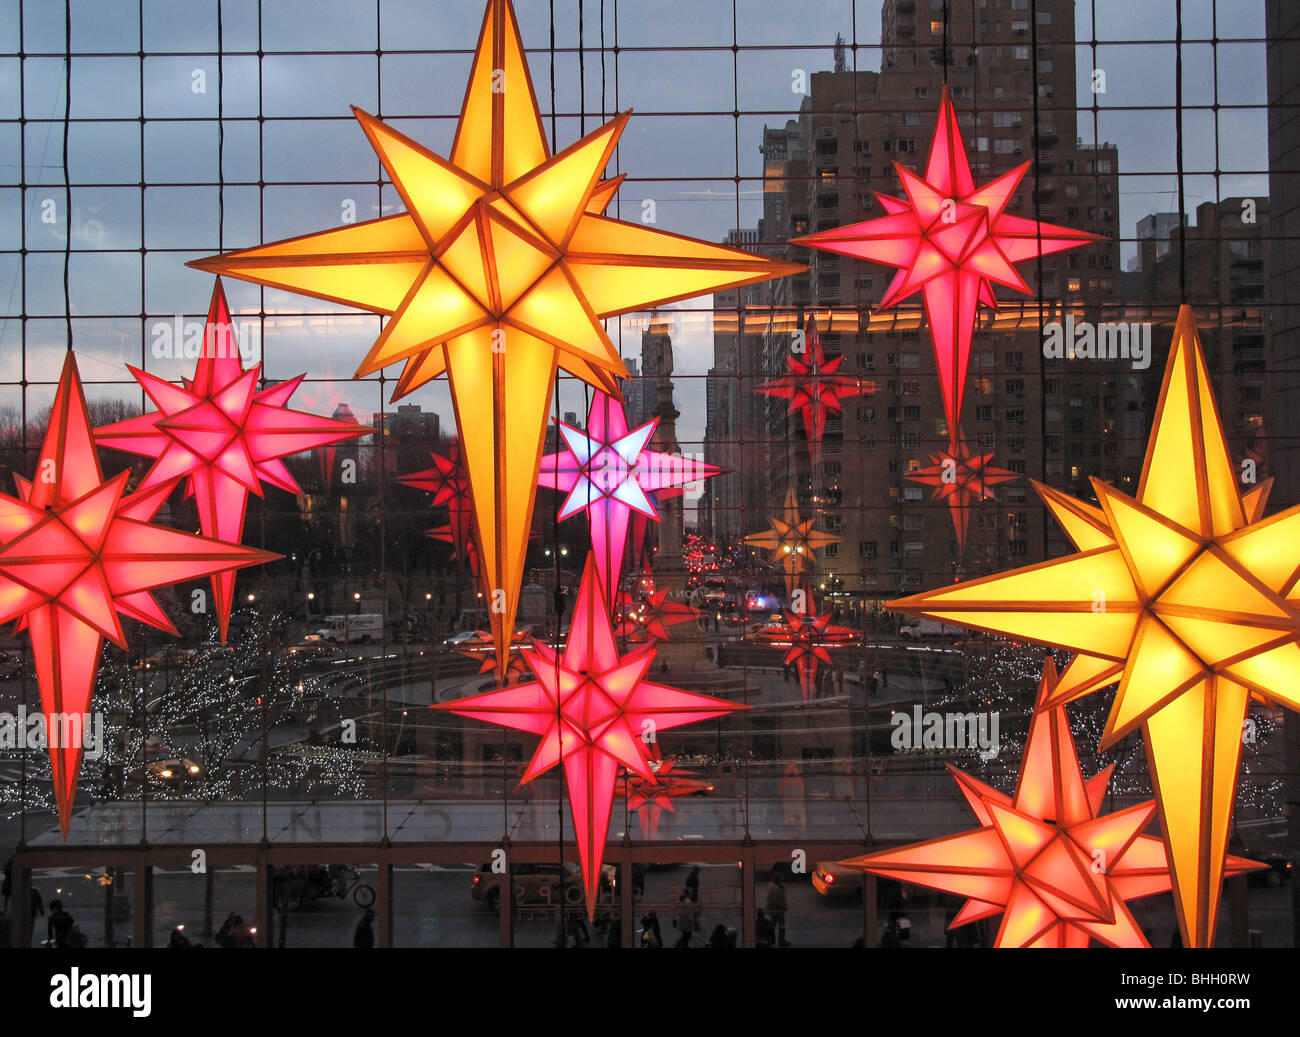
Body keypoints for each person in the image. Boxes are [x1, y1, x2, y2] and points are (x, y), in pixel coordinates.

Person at [765, 873, 789, 948]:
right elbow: (776, 900)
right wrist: (784, 907)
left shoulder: (772, 885)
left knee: (773, 925)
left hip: (774, 910)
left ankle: (769, 940)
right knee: (782, 926)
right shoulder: (776, 888)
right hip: (777, 910)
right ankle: (781, 941)